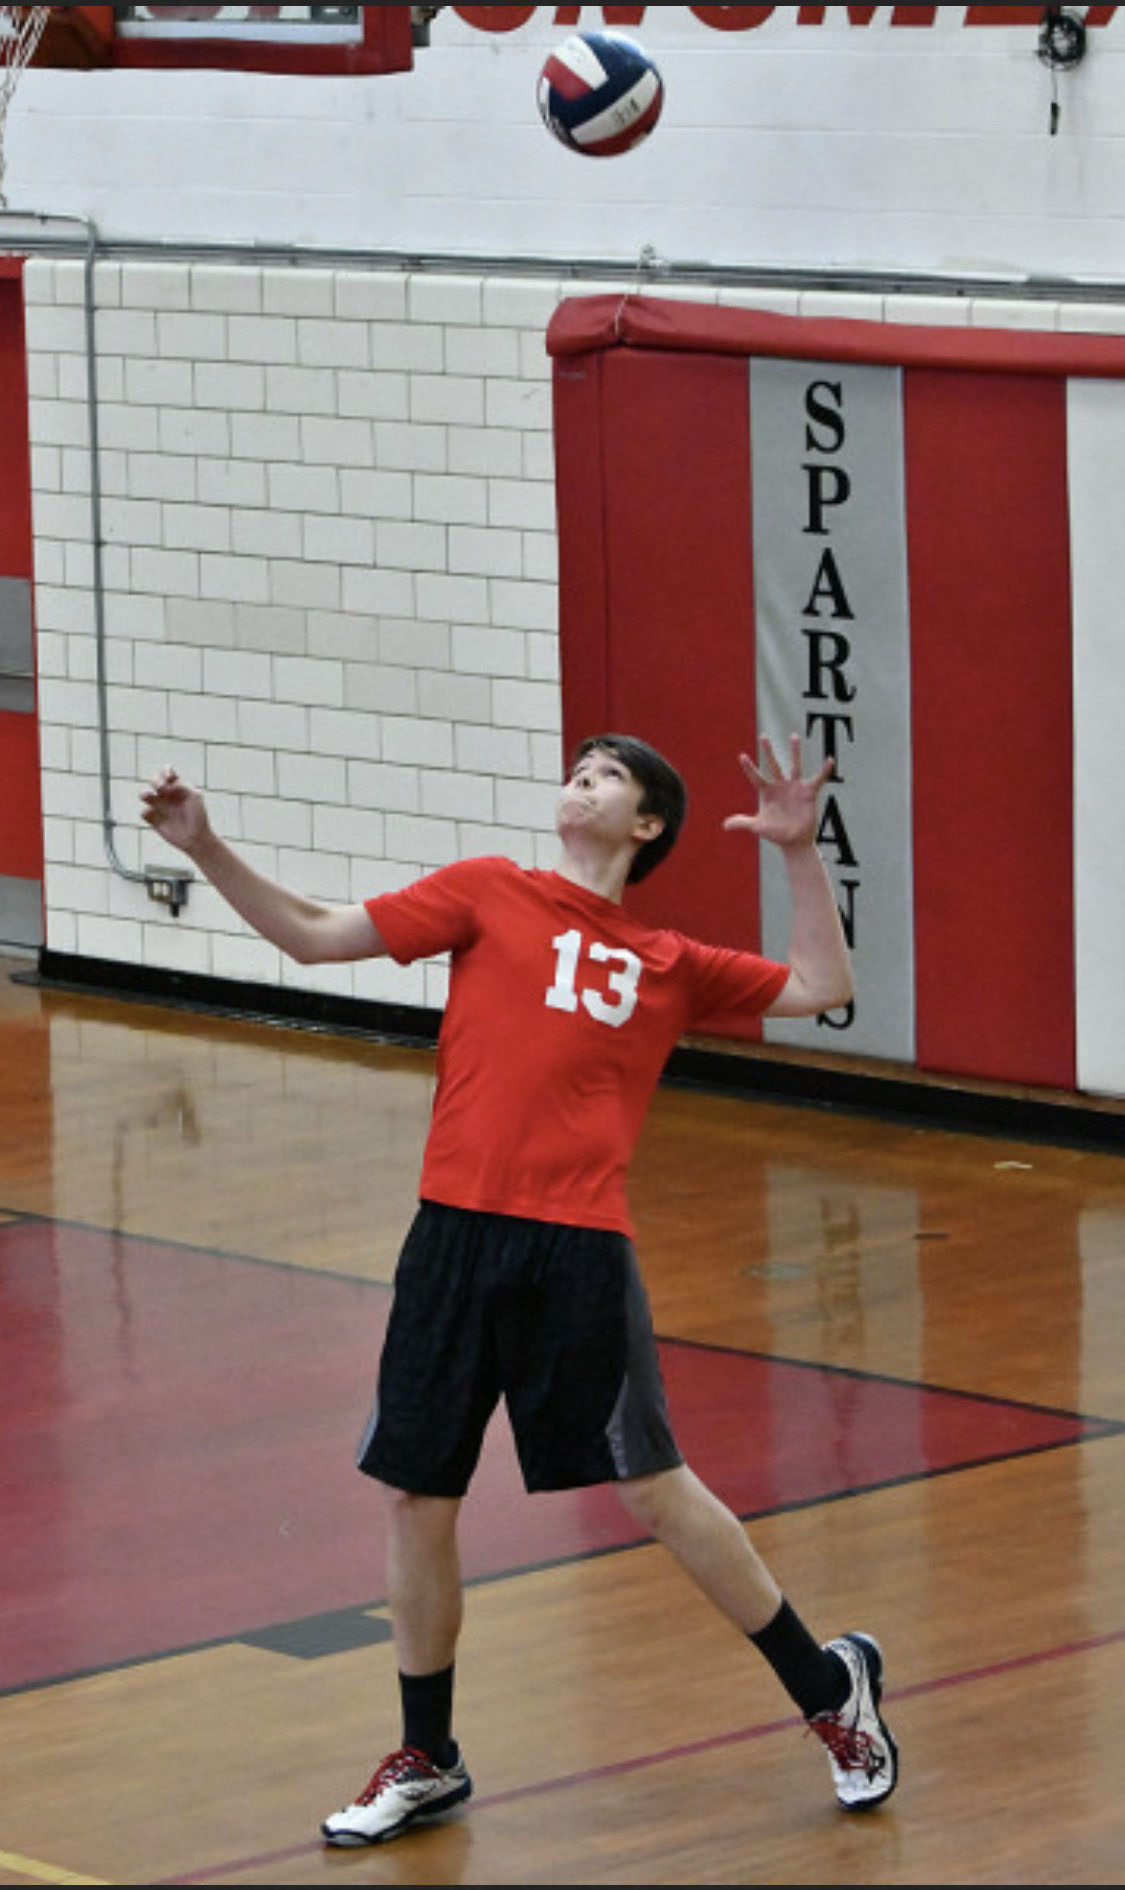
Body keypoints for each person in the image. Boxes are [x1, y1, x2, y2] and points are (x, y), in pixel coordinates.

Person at [141, 729, 898, 1847]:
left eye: (608, 776)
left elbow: (828, 984)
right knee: (416, 1491)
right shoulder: (488, 894)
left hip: (576, 1249)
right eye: (577, 769)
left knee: (652, 1487)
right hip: (452, 1237)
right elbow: (311, 937)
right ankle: (429, 1756)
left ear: (646, 827)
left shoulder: (670, 962)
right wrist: (205, 846)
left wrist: (795, 850)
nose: (579, 781)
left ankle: (831, 1694)